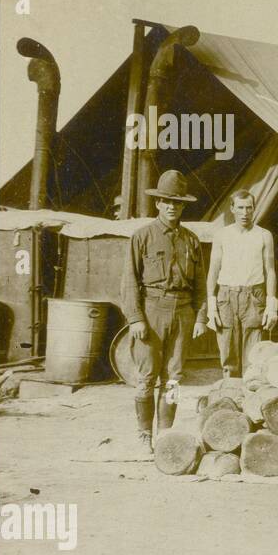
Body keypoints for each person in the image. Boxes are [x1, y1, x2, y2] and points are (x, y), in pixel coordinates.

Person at [121, 170, 208, 452]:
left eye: (178, 203)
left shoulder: (191, 240)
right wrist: (135, 318)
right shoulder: (142, 237)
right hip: (151, 309)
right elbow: (129, 281)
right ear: (157, 203)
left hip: (183, 312)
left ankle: (165, 436)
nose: (172, 207)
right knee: (147, 377)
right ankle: (144, 434)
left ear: (183, 206)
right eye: (167, 201)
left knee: (174, 378)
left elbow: (201, 284)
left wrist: (201, 316)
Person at [206, 190, 278, 378]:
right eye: (240, 208)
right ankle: (230, 396)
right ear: (232, 209)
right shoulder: (222, 235)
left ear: (254, 209)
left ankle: (249, 400)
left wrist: (272, 306)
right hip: (226, 297)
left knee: (253, 356)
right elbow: (213, 271)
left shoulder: (264, 235)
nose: (245, 213)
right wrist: (211, 306)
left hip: (254, 297)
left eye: (249, 208)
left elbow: (270, 271)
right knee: (228, 354)